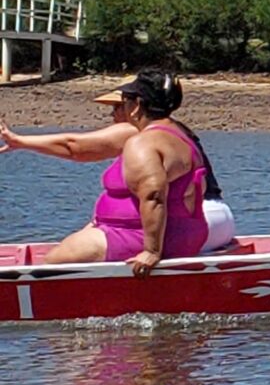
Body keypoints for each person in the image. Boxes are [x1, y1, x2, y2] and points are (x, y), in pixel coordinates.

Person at [0, 71, 235, 273]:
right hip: (181, 232)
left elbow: (153, 194)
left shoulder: (142, 142)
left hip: (140, 237)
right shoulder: (180, 136)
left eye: (122, 102)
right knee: (71, 246)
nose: (114, 112)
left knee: (52, 263)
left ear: (137, 106)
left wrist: (151, 251)